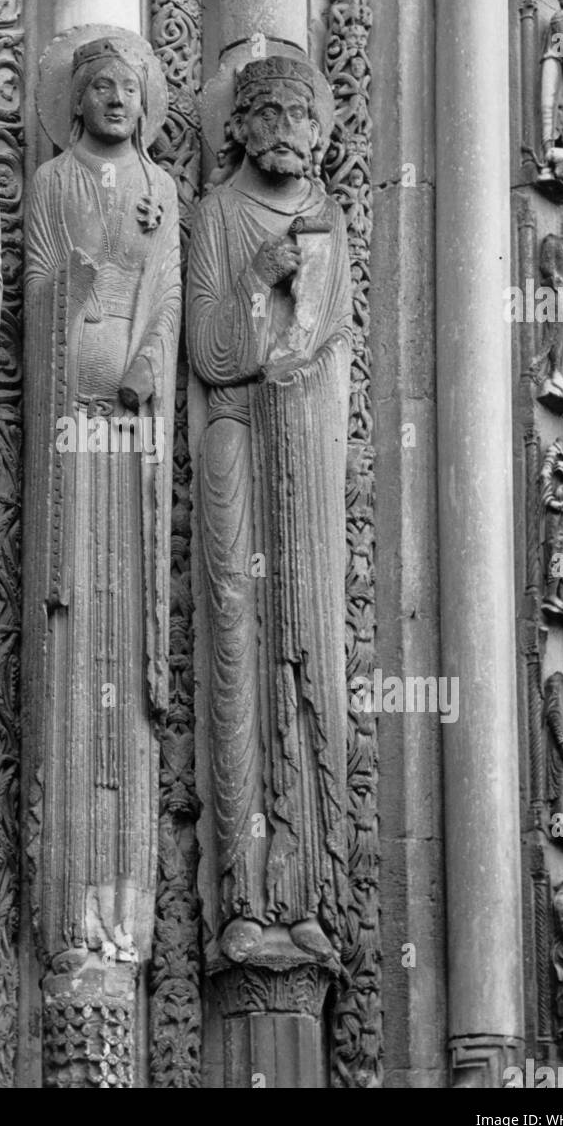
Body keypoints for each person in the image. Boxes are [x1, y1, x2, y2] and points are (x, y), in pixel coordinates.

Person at [187, 54, 351, 968]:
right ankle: (242, 895)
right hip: (235, 445)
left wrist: (295, 289)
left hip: (305, 461)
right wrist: (256, 277)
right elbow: (210, 352)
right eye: (269, 110)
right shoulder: (216, 217)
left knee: (306, 656)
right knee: (237, 654)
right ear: (239, 128)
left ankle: (306, 890)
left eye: (302, 111)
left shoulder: (328, 226)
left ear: (321, 132)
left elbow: (321, 349)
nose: (287, 125)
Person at [24, 32, 180, 987]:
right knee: (74, 621)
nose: (117, 100)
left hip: (129, 440)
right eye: (101, 88)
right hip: (66, 432)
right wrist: (75, 290)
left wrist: (142, 365)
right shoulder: (53, 184)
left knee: (120, 630)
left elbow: (165, 303)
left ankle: (121, 895)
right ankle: (67, 890)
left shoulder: (161, 192)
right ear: (74, 103)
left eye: (129, 89)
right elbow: (39, 285)